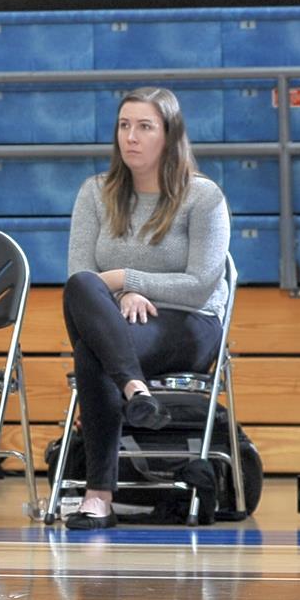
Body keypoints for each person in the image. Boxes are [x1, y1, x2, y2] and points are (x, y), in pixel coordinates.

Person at [60, 87, 231, 530]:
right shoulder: (95, 193)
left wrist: (125, 280)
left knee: (92, 352)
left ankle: (98, 498)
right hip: (118, 322)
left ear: (169, 135)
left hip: (190, 324)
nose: (130, 137)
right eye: (124, 125)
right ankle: (136, 391)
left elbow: (199, 287)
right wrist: (120, 299)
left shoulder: (204, 198)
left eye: (144, 127)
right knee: (82, 299)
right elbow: (82, 278)